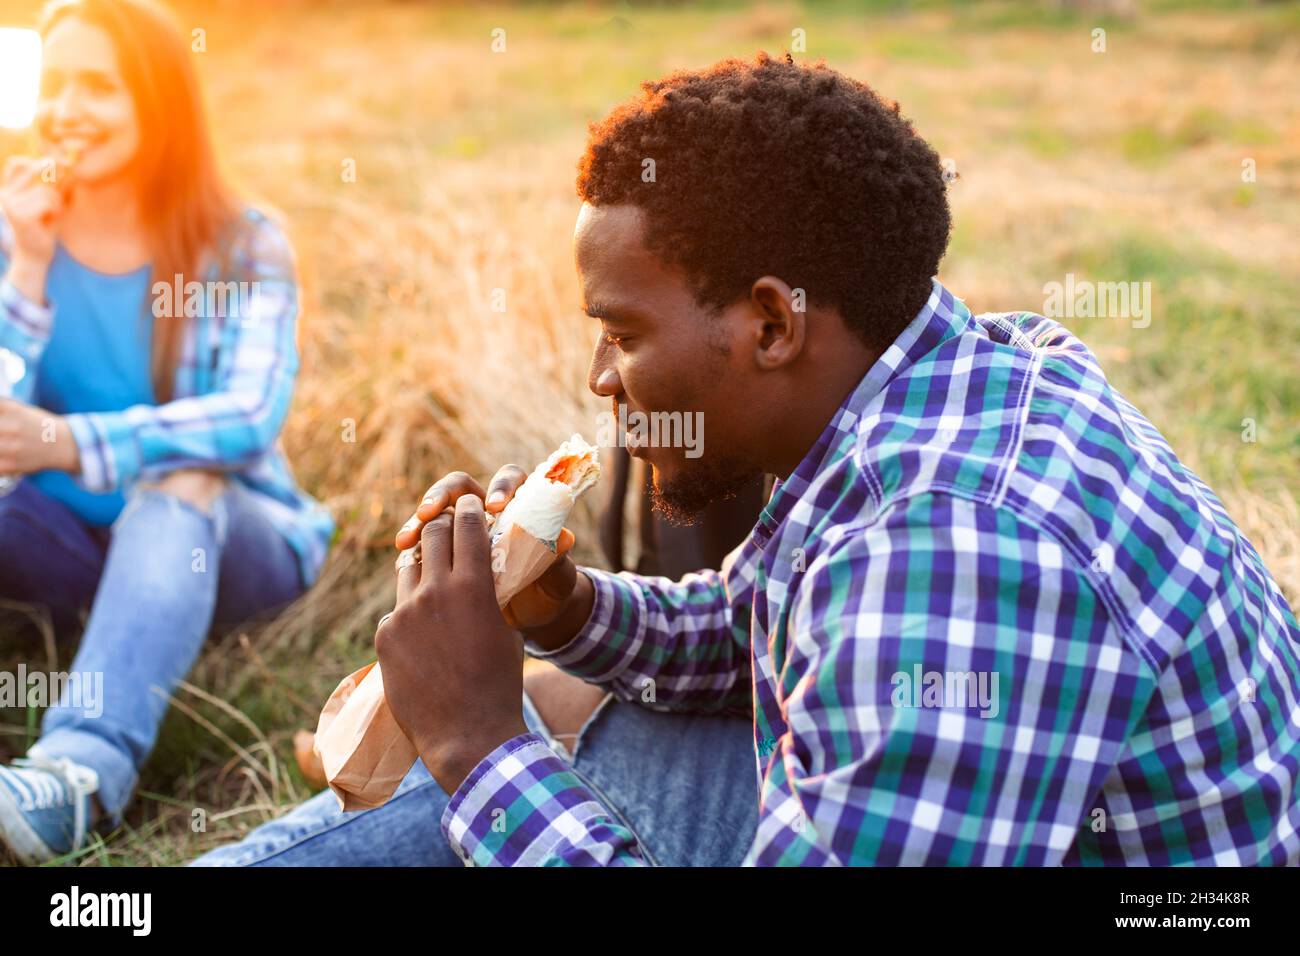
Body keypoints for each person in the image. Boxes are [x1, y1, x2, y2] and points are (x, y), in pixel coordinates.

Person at [198, 53, 1299, 867]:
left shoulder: (953, 546)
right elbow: (769, 621)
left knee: (505, 754)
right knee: (551, 709)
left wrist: (479, 743)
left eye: (624, 333)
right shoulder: (941, 378)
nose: (599, 378)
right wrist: (564, 606)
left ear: (772, 324)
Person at [0, 0, 333, 864]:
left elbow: (245, 419)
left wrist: (69, 445)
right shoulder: (17, 231)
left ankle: (77, 774)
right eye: (56, 83)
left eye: (99, 86)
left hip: (222, 547)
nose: (68, 108)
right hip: (71, 548)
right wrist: (27, 269)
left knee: (181, 475)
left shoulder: (242, 243)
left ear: (161, 103)